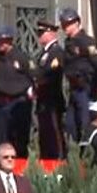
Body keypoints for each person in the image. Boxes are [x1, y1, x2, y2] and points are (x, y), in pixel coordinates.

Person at [0, 26, 34, 158]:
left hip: (18, 102)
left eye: (2, 41)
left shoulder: (20, 57)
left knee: (19, 138)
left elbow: (32, 75)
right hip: (2, 102)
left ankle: (20, 163)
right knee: (3, 137)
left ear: (9, 40)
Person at [33, 21, 67, 159]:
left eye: (42, 32)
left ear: (52, 33)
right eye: (39, 33)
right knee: (45, 135)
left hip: (52, 99)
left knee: (54, 134)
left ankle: (59, 161)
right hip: (43, 99)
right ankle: (46, 161)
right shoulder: (45, 53)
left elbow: (51, 73)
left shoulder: (56, 52)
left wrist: (37, 79)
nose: (40, 36)